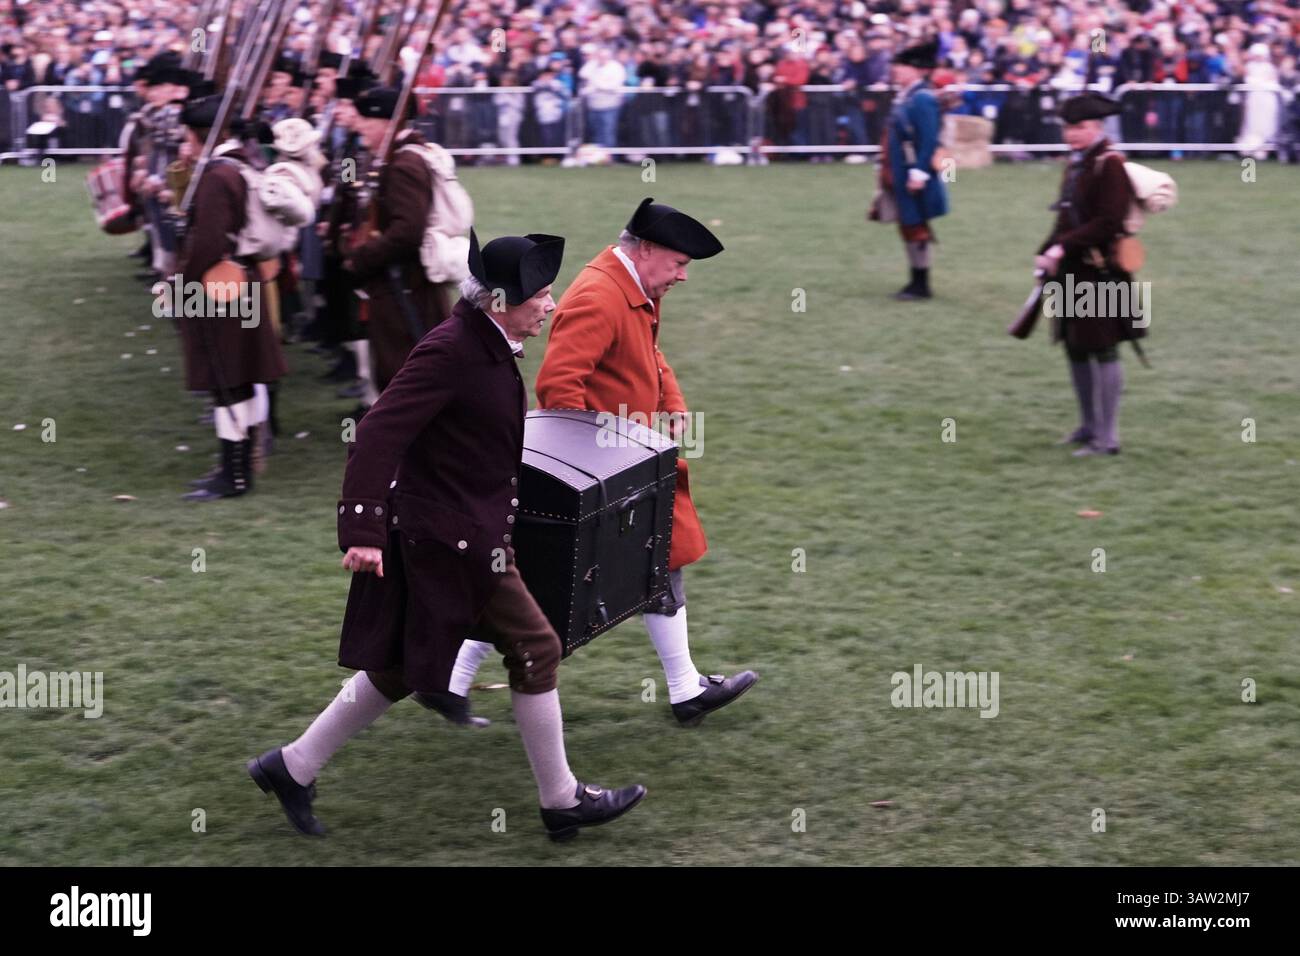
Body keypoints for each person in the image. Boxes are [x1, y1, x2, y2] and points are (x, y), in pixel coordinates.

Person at [247, 231, 646, 842]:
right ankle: (562, 800)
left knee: (403, 668)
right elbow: (378, 431)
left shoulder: (487, 343)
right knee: (536, 648)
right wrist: (362, 529)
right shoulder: (453, 350)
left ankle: (291, 766)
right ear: (497, 301)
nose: (550, 303)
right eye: (539, 294)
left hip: (468, 535)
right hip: (451, 543)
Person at [445, 199, 759, 728]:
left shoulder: (634, 287)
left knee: (653, 565)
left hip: (628, 469)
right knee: (541, 587)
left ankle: (685, 690)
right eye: (679, 263)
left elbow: (650, 354)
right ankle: (448, 682)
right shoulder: (598, 295)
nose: (682, 276)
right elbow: (558, 390)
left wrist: (673, 404)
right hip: (600, 475)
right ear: (648, 249)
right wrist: (610, 457)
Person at [174, 92, 289, 500]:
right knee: (234, 380)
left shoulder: (217, 175)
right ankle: (236, 469)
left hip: (223, 289)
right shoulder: (235, 166)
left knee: (227, 381)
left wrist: (180, 282)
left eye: (186, 135)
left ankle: (234, 475)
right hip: (240, 282)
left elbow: (208, 242)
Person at [1036, 92, 1142, 457]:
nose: (1072, 134)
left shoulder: (1109, 163)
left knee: (1104, 350)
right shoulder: (1077, 163)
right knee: (1076, 347)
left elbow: (1108, 222)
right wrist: (1044, 251)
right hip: (1072, 269)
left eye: (1079, 127)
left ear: (1097, 127)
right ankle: (1088, 425)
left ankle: (1108, 437)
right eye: (1068, 127)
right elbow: (1066, 216)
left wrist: (1062, 247)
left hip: (1102, 269)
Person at [343, 85, 450, 392]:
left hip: (405, 288)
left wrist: (361, 257)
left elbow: (408, 232)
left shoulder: (404, 164)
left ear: (390, 123)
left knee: (408, 377)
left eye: (368, 119)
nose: (360, 125)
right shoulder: (396, 159)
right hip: (398, 284)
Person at [872, 38, 949, 300]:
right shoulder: (906, 97)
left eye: (902, 67)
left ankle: (921, 284)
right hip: (898, 171)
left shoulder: (923, 98)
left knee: (916, 227)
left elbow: (929, 138)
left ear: (918, 69)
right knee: (907, 225)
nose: (896, 71)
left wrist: (919, 172)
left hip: (912, 173)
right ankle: (916, 280)